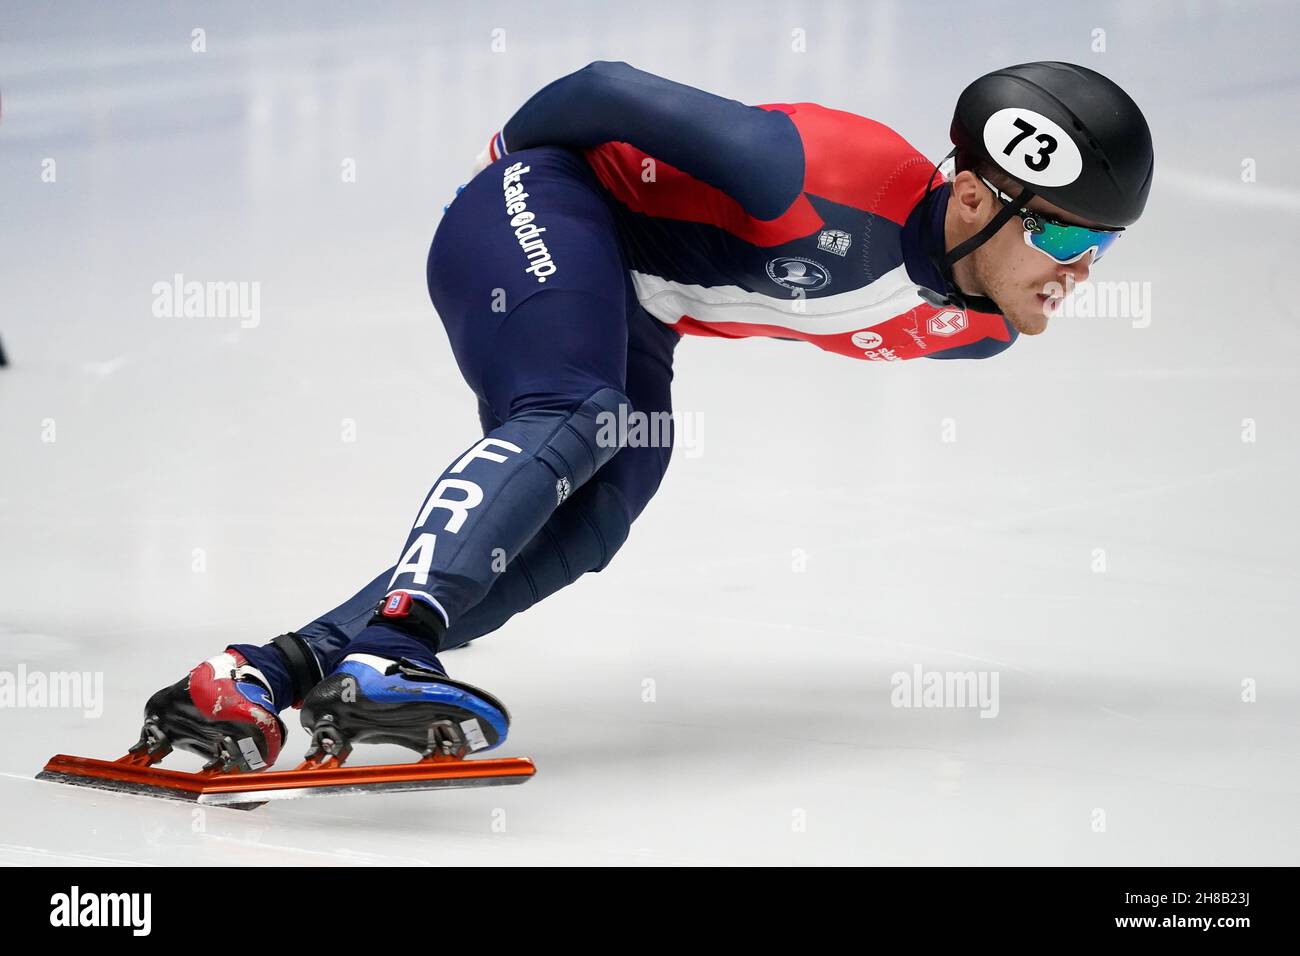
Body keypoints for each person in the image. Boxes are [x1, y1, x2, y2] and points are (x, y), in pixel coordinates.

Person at [137, 60, 1154, 771]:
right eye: (1063, 231)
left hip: (643, 300)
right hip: (547, 204)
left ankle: (261, 674)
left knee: (600, 512)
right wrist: (508, 168)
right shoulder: (812, 172)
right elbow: (603, 90)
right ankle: (397, 642)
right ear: (973, 199)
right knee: (575, 410)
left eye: (1101, 247)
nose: (1079, 270)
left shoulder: (976, 329)